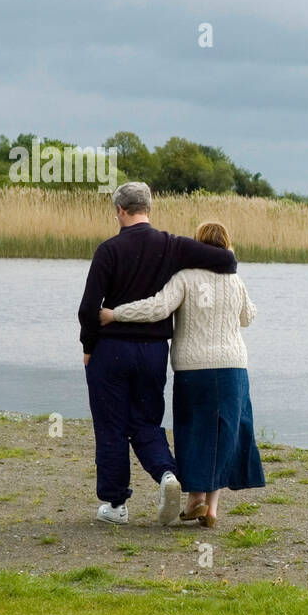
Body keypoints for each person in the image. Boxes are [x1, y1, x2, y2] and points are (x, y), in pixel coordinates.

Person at [77, 182, 238, 526]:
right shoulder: (172, 245)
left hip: (111, 350)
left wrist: (88, 347)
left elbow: (88, 309)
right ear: (149, 208)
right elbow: (226, 259)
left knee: (111, 426)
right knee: (146, 422)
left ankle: (116, 505)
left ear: (120, 210)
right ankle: (167, 475)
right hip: (153, 352)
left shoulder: (108, 250)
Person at [100, 220, 263, 527]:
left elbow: (156, 309)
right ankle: (209, 507)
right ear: (227, 245)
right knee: (223, 433)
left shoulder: (185, 277)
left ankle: (194, 500)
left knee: (194, 432)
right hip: (233, 366)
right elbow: (248, 317)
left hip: (194, 369)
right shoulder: (235, 280)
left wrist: (114, 313)